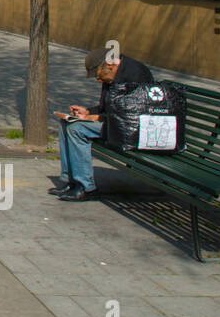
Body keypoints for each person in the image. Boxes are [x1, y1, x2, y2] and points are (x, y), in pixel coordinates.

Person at [51, 47, 154, 201]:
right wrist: (87, 111)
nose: (98, 80)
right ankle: (70, 181)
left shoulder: (135, 75)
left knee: (76, 129)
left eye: (98, 76)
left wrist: (93, 118)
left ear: (109, 65)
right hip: (117, 123)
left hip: (131, 130)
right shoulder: (111, 74)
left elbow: (130, 116)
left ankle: (85, 187)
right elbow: (106, 107)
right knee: (65, 124)